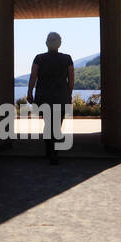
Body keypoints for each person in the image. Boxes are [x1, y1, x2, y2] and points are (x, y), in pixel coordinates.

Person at [26, 32, 74, 165]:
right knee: (57, 126)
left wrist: (30, 92)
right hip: (61, 96)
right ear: (59, 43)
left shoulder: (39, 58)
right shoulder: (67, 59)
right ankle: (54, 154)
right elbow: (71, 79)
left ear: (47, 43)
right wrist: (69, 94)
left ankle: (49, 150)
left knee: (48, 124)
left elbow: (33, 76)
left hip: (43, 97)